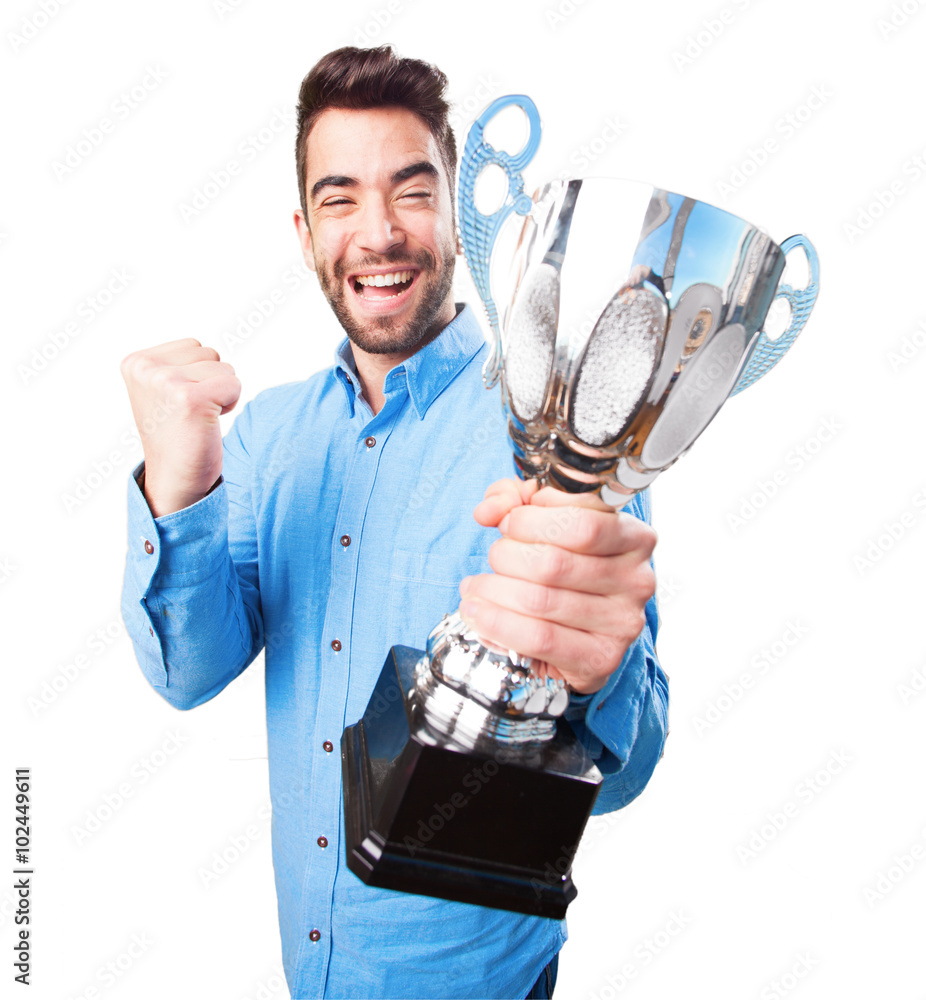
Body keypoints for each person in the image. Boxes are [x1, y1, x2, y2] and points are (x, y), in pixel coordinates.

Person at [119, 44, 669, 1000]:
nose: (377, 232)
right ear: (304, 230)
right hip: (311, 971)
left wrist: (599, 672)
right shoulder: (267, 439)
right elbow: (188, 672)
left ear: (458, 205)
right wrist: (180, 481)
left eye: (412, 191)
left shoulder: (559, 431)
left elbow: (620, 777)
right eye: (340, 198)